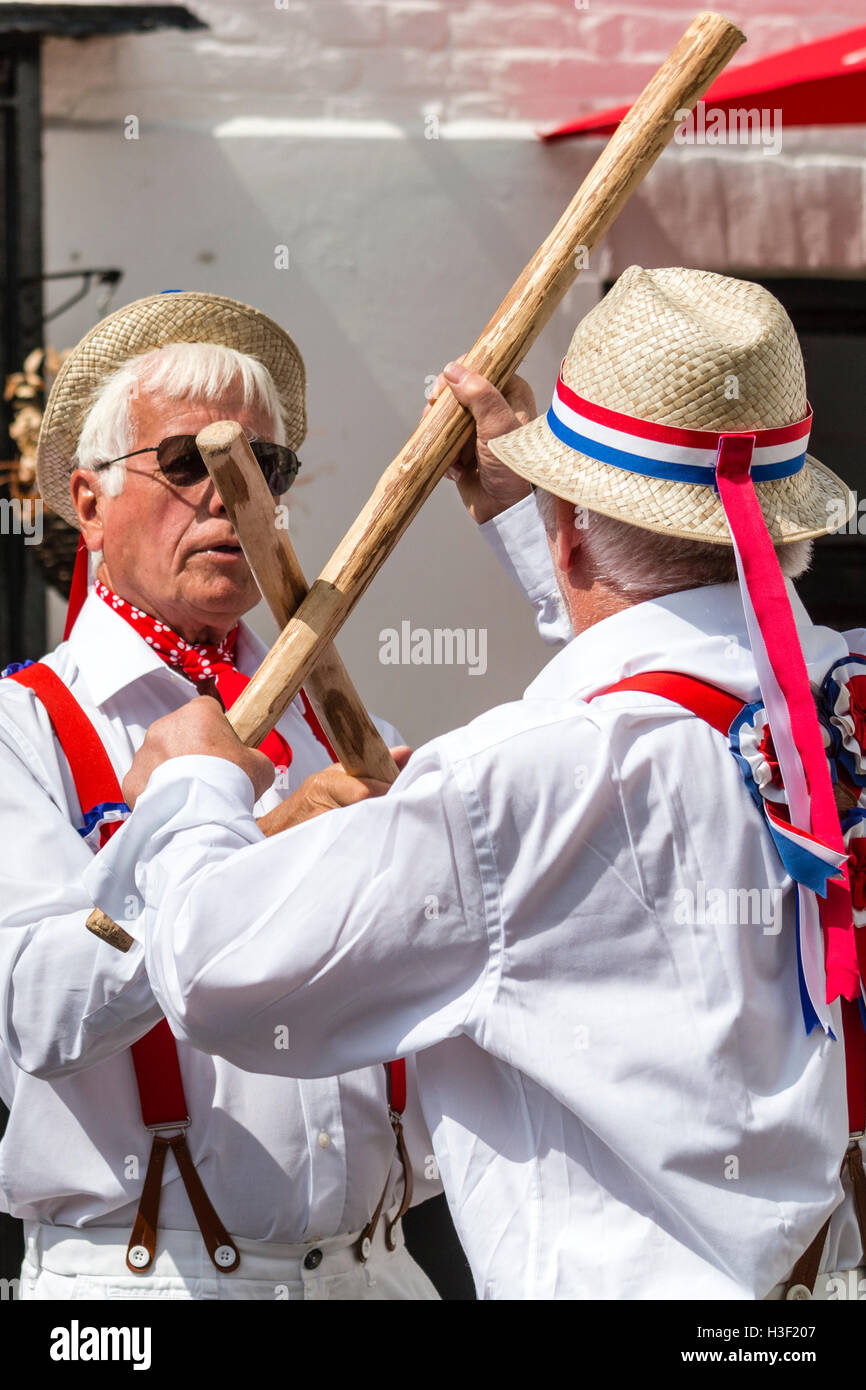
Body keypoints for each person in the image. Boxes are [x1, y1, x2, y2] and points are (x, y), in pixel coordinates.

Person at [87, 267, 866, 1298]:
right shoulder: (828, 706)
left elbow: (219, 971)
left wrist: (190, 786)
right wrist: (537, 523)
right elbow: (678, 685)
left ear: (574, 523)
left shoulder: (512, 782)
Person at [0, 290, 441, 1300]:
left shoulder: (333, 716)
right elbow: (33, 1009)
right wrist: (256, 847)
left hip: (381, 1268)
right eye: (189, 461)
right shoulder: (25, 728)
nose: (227, 497)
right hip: (150, 1277)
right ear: (90, 497)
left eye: (260, 470)